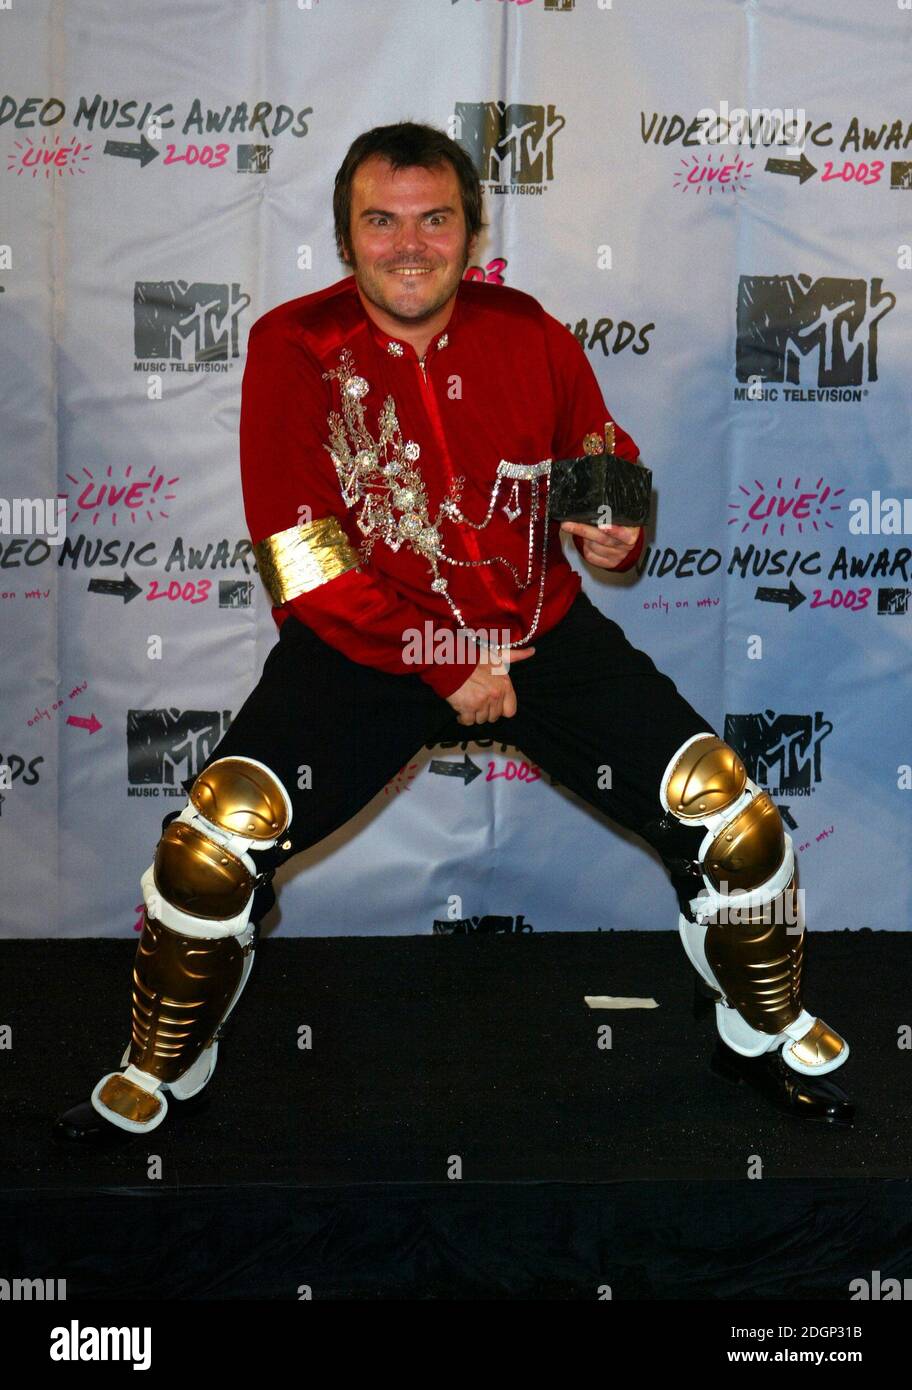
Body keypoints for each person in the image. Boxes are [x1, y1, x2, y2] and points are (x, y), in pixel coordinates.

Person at [54, 121, 852, 1144]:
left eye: (435, 220)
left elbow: (597, 449)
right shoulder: (294, 345)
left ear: (471, 234)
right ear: (346, 238)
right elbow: (304, 560)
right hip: (370, 647)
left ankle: (762, 1029)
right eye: (380, 222)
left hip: (537, 634)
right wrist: (437, 661)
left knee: (734, 824)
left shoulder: (529, 330)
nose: (409, 245)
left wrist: (613, 523)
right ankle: (163, 1063)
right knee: (214, 848)